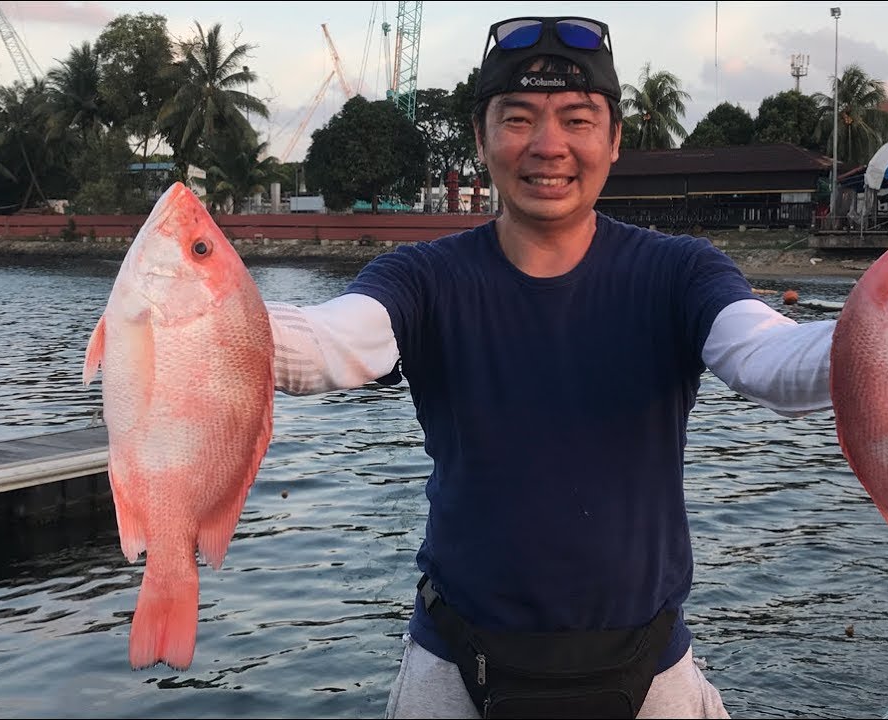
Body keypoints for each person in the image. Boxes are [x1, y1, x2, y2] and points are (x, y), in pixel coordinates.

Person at [264, 15, 836, 719]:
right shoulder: (422, 277)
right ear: (480, 138)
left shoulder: (678, 272)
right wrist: (214, 328)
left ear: (615, 138)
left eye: (576, 118)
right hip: (456, 661)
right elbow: (337, 340)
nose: (548, 146)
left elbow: (768, 358)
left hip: (649, 666)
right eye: (518, 119)